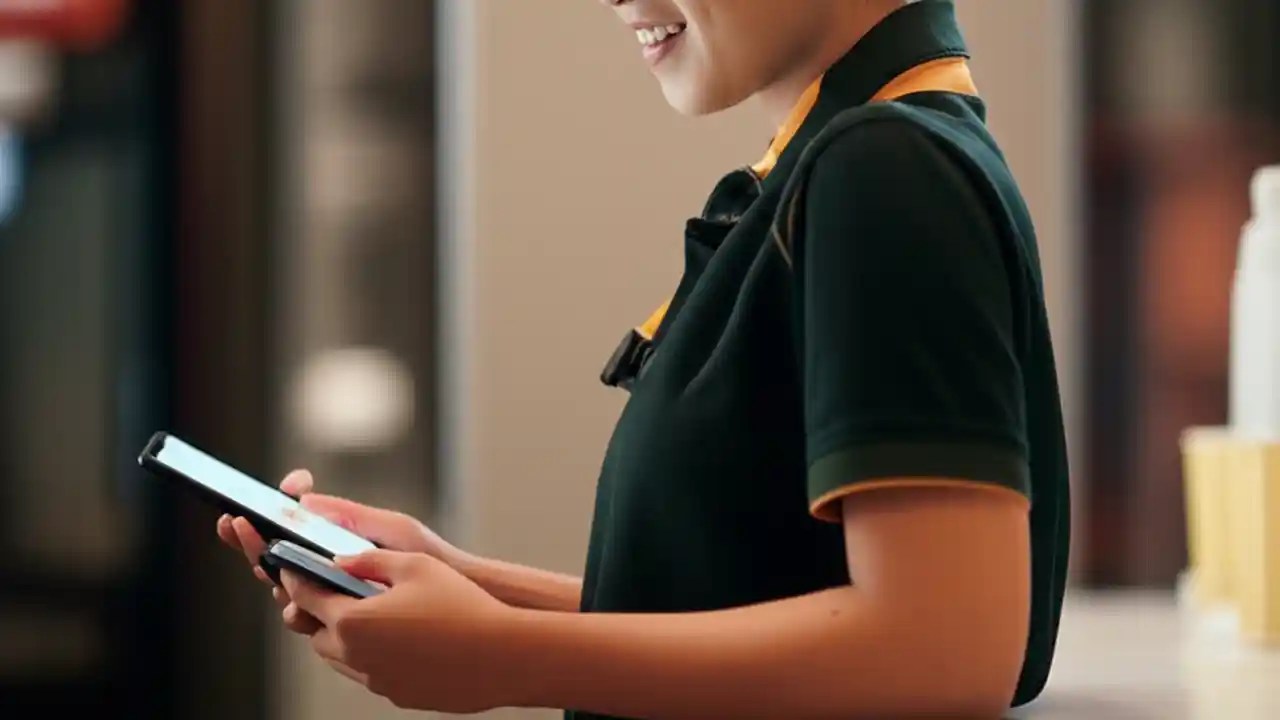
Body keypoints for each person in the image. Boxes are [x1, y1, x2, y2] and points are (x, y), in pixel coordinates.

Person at [219, 0, 1070, 717]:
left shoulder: (886, 170)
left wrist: (508, 655)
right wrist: (468, 586)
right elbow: (777, 611)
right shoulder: (860, 165)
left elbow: (943, 654)